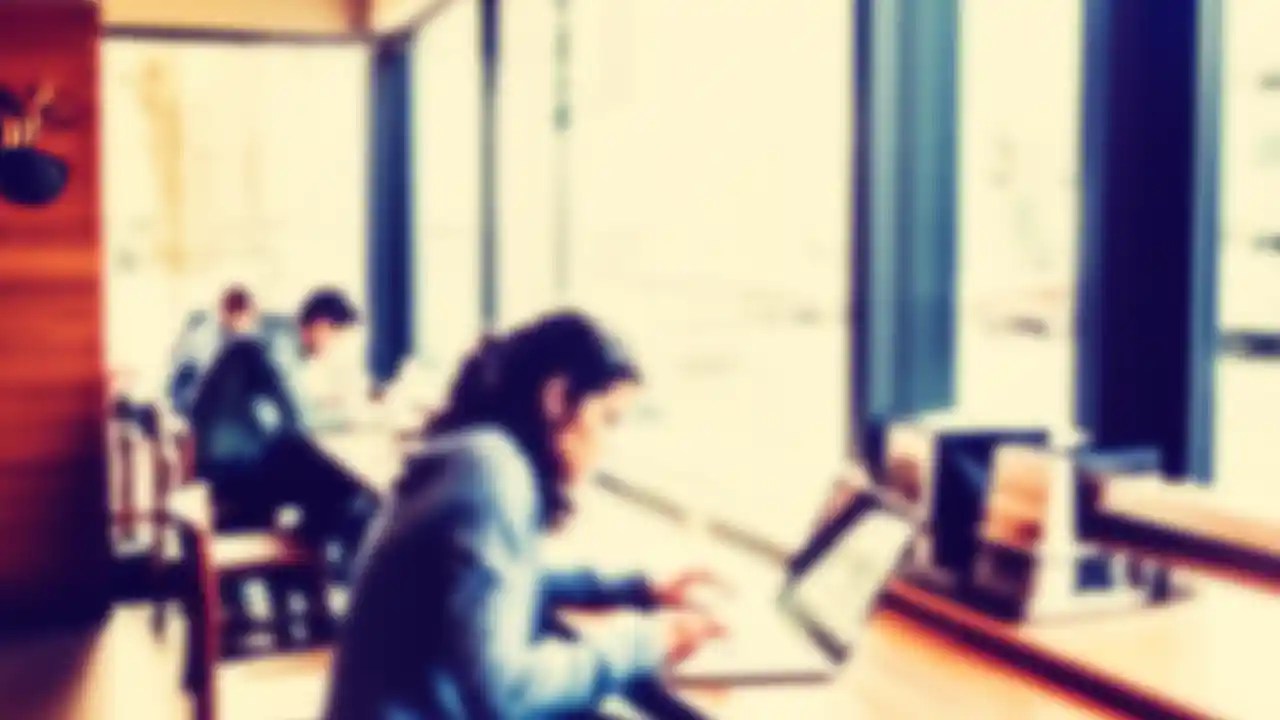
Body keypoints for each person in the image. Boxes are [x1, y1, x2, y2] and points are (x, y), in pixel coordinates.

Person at [325, 311, 723, 720]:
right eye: (608, 419)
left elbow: (498, 585)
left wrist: (638, 588)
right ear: (557, 398)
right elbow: (508, 693)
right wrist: (647, 641)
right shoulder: (491, 472)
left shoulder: (474, 454)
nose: (609, 445)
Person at [168, 285, 259, 418]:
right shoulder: (203, 341)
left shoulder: (247, 343)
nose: (245, 325)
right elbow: (184, 394)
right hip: (194, 402)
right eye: (241, 318)